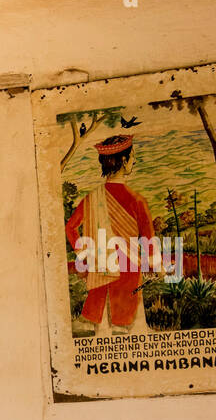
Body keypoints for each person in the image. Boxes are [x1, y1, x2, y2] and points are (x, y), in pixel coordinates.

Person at [65, 135, 154, 336]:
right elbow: (148, 240)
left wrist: (85, 254)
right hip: (129, 271)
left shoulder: (90, 199)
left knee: (102, 333)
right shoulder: (137, 200)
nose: (135, 160)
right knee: (129, 333)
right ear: (123, 160)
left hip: (100, 269)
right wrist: (153, 264)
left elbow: (70, 228)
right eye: (133, 156)